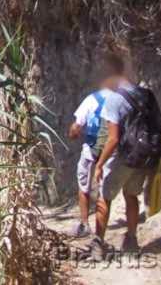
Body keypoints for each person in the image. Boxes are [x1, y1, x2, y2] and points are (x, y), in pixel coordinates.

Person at [87, 53, 150, 261]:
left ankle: (98, 244)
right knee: (131, 196)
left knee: (104, 198)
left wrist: (100, 164)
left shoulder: (113, 100)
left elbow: (113, 138)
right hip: (141, 156)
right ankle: (131, 240)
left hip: (121, 157)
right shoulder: (146, 95)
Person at [68, 86, 110, 237]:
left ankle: (85, 224)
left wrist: (72, 133)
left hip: (91, 149)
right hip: (112, 151)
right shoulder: (120, 99)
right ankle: (102, 231)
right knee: (105, 191)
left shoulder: (92, 99)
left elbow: (77, 126)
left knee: (83, 186)